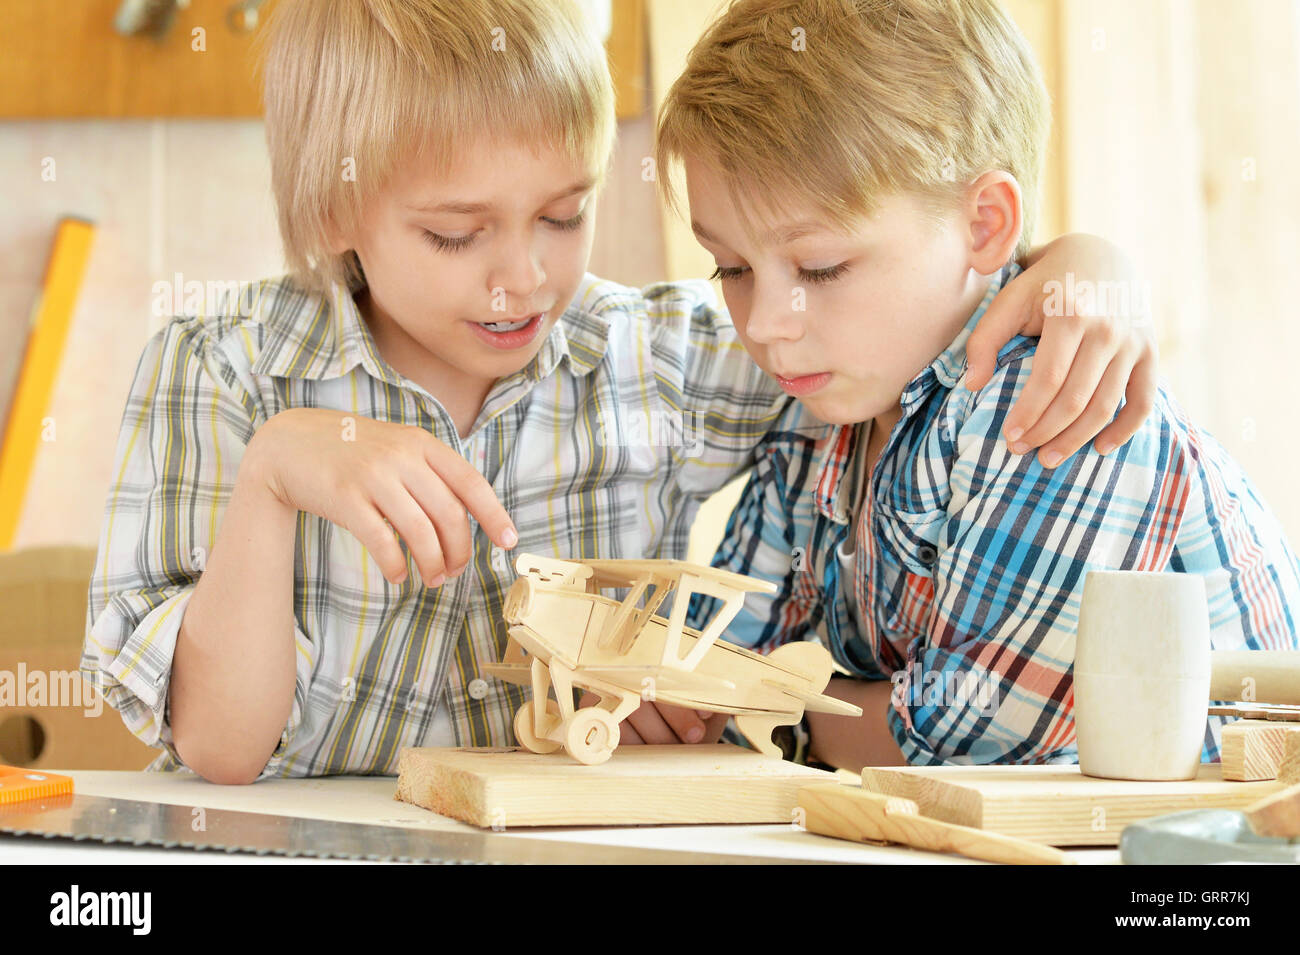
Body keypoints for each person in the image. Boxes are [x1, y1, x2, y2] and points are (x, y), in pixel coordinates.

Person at [83, 0, 1160, 782]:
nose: (524, 276)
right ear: (334, 214)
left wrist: (1079, 261)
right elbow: (220, 749)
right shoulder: (221, 368)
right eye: (456, 234)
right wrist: (276, 476)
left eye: (563, 215)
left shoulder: (658, 356)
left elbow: (894, 309)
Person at [658, 0, 1300, 768]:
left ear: (985, 226)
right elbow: (698, 677)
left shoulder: (1058, 398)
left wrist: (782, 706)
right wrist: (727, 696)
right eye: (730, 268)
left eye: (820, 268)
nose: (764, 323)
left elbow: (976, 746)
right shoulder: (823, 409)